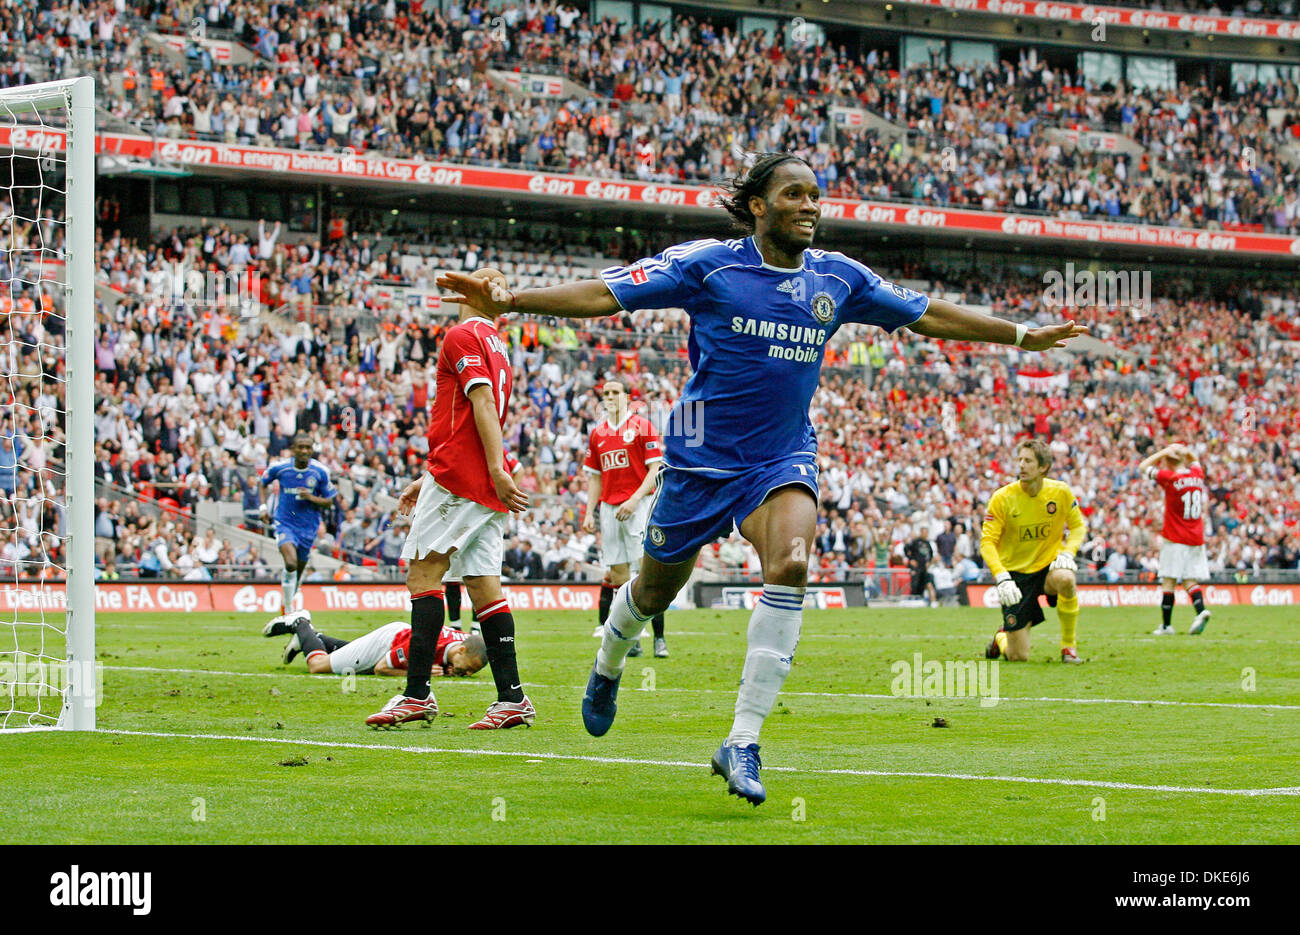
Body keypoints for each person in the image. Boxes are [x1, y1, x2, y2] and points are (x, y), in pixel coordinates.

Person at [437, 153, 1085, 805]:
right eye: (795, 193)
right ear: (758, 206)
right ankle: (609, 659)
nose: (810, 205)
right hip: (698, 460)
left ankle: (742, 740)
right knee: (653, 591)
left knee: (792, 563)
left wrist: (1022, 336)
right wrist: (513, 300)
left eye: (817, 196)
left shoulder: (839, 278)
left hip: (780, 459)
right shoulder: (709, 265)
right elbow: (608, 293)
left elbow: (926, 313)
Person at [364, 269, 536, 731]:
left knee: (423, 573)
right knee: (484, 587)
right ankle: (511, 699)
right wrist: (431, 476)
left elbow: (480, 403)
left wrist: (494, 470)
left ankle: (417, 693)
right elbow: (473, 416)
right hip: (477, 481)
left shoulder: (461, 335)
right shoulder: (498, 345)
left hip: (463, 478)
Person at [980, 439, 1088, 664]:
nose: (1021, 465)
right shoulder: (1002, 498)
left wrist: (1068, 553)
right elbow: (987, 542)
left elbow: (1078, 526)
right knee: (1018, 657)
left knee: (1066, 578)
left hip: (1048, 567)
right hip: (1015, 576)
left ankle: (1069, 647)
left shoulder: (1060, 492)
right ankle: (1001, 638)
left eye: (1028, 461)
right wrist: (1001, 577)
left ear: (1043, 467)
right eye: (1019, 459)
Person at [581, 379, 667, 657]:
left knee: (646, 572)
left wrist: (634, 498)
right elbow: (595, 478)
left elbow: (655, 469)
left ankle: (660, 637)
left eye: (615, 392)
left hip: (637, 505)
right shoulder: (597, 433)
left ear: (627, 397)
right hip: (609, 509)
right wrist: (590, 511)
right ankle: (633, 638)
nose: (609, 397)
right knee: (619, 576)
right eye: (605, 393)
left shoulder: (642, 427)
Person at [262, 610, 487, 680]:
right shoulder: (423, 646)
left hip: (397, 634)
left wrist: (451, 668)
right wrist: (419, 672)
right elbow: (381, 668)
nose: (466, 673)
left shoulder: (464, 643)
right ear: (461, 650)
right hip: (386, 644)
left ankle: (312, 638)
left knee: (348, 655)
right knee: (319, 666)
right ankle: (301, 623)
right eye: (467, 667)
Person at [258, 431, 341, 612]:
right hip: (284, 522)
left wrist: (310, 497)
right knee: (291, 563)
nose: (304, 451)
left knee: (298, 571)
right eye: (300, 447)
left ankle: (288, 598)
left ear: (312, 450)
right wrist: (263, 507)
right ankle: (288, 610)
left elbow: (329, 502)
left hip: (308, 527)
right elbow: (262, 483)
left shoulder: (320, 472)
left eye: (308, 447)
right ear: (293, 449)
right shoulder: (280, 468)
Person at [1139, 443, 1212, 635]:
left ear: (1168, 462)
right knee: (1189, 579)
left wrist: (1163, 451)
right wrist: (1182, 449)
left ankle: (1166, 626)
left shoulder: (1170, 477)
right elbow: (1194, 458)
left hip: (1175, 537)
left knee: (1168, 580)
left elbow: (1143, 467)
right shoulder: (1196, 475)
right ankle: (1201, 611)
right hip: (1196, 536)